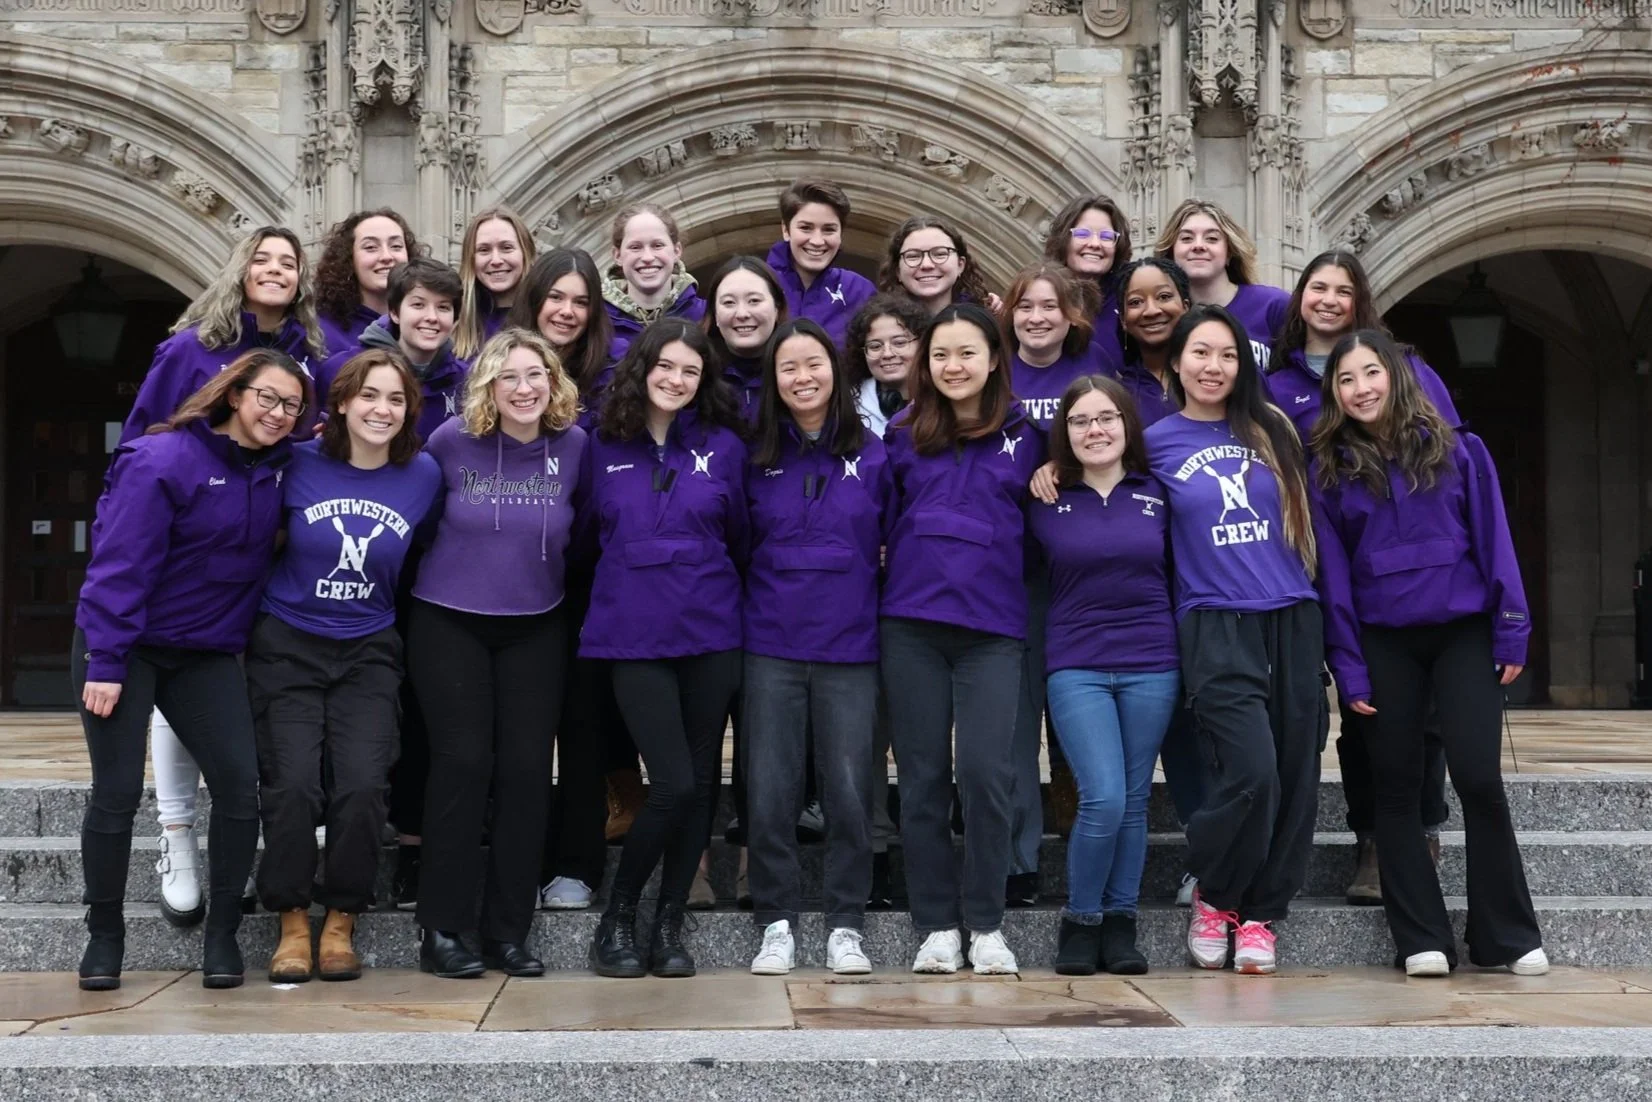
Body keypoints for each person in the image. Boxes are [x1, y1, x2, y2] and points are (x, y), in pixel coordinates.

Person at [1310, 330, 1547, 978]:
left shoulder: (1461, 449)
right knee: (1396, 787)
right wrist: (1348, 665)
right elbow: (1334, 579)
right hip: (1383, 641)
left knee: (1478, 777)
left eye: (1370, 373)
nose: (1360, 388)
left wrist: (1512, 628)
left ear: (1396, 375)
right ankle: (1421, 938)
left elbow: (1495, 541)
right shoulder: (1328, 470)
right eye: (1345, 379)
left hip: (1462, 632)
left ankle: (1505, 936)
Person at [75, 349, 312, 992]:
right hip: (127, 645)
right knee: (117, 791)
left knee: (238, 786)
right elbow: (119, 563)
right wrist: (107, 659)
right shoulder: (162, 459)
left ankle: (223, 935)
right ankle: (104, 936)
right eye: (267, 397)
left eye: (291, 405)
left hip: (205, 652)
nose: (278, 413)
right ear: (234, 394)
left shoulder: (282, 469)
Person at [119, 224, 324, 930]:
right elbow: (142, 443)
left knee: (236, 696)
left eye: (289, 261)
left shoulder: (308, 355)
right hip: (193, 545)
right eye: (262, 258)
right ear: (239, 269)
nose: (276, 269)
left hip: (266, 546)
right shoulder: (190, 349)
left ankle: (265, 836)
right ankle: (176, 835)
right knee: (178, 684)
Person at [1269, 250, 1462, 905]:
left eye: (1342, 290)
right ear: (1299, 298)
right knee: (1358, 711)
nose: (1328, 300)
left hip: (1397, 564)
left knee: (1418, 711)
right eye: (1317, 287)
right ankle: (1370, 835)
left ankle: (1415, 833)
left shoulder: (1406, 368)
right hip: (1305, 558)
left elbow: (1450, 458)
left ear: (1360, 302)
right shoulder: (1276, 384)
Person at [1144, 304, 1326, 976]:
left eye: (1227, 354)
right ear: (1176, 362)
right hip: (1213, 619)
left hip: (1292, 616)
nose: (1214, 366)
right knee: (1251, 772)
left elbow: (1310, 527)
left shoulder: (1273, 428)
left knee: (1296, 776)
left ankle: (1261, 917)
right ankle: (1217, 895)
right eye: (1200, 352)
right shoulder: (1153, 442)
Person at [249, 350, 441, 983]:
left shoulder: (423, 476)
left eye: (396, 399)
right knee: (294, 785)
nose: (382, 409)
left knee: (361, 785)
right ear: (340, 403)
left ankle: (341, 919)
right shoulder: (297, 463)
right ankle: (291, 920)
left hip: (369, 649)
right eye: (369, 396)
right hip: (288, 643)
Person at [407, 329, 586, 979]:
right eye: (508, 376)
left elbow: (587, 528)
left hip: (537, 624)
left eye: (535, 374)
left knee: (526, 773)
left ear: (553, 382)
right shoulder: (450, 441)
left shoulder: (575, 446)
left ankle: (508, 933)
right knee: (462, 763)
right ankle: (442, 929)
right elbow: (416, 521)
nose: (523, 387)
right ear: (487, 385)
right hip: (448, 620)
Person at [881, 302, 1044, 975]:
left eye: (967, 352)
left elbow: (1042, 528)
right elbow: (882, 522)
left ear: (994, 358)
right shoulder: (900, 432)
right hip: (911, 627)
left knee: (985, 775)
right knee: (921, 780)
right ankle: (936, 926)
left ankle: (986, 923)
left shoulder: (1029, 436)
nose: (953, 366)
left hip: (993, 630)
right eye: (941, 354)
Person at [582, 318, 747, 979]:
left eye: (690, 371)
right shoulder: (599, 443)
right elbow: (583, 537)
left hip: (711, 632)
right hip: (633, 635)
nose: (676, 380)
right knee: (673, 783)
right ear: (642, 368)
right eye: (666, 366)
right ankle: (619, 916)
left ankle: (669, 924)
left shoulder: (724, 446)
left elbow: (740, 536)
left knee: (700, 786)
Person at [743, 319, 892, 977]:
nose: (803, 378)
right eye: (789, 367)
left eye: (814, 365)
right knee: (769, 791)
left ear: (836, 371)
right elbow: (736, 540)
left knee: (850, 793)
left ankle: (845, 924)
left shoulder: (876, 455)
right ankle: (775, 922)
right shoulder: (752, 457)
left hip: (850, 646)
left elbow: (892, 541)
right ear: (773, 379)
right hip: (770, 643)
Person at [1027, 375, 1178, 975]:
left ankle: (1121, 924)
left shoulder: (1158, 491)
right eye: (1080, 420)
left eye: (1106, 417)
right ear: (1063, 433)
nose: (1095, 430)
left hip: (1153, 662)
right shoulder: (1044, 497)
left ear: (1126, 424)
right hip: (1076, 663)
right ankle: (1081, 919)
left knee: (1134, 802)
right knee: (1104, 796)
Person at [506, 247, 619, 910]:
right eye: (556, 297)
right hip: (510, 576)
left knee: (582, 724)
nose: (568, 311)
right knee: (517, 730)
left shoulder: (614, 376)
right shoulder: (501, 364)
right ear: (534, 300)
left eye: (581, 301)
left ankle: (577, 862)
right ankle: (516, 858)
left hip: (588, 578)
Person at [1001, 262, 1105, 908]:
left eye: (1050, 307)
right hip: (1011, 573)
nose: (1037, 317)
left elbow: (1116, 448)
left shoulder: (1092, 374)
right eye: (1025, 306)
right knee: (1015, 727)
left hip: (1080, 573)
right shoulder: (995, 374)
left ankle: (1085, 851)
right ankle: (1019, 860)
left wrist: (1064, 464)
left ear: (1073, 317)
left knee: (1079, 723)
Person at [317, 258, 467, 442]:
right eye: (418, 305)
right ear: (395, 313)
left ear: (455, 319)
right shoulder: (340, 370)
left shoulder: (466, 381)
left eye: (443, 307)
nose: (432, 317)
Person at [1154, 199, 1289, 368]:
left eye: (1211, 238)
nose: (1198, 246)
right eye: (1187, 238)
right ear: (1171, 252)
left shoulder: (1274, 305)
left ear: (1229, 252)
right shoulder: (1163, 315)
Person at [765, 178, 877, 347]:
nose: (817, 241)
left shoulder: (859, 291)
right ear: (786, 230)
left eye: (829, 229)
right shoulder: (758, 285)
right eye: (805, 228)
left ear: (841, 233)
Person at [602, 203, 705, 362]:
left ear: (677, 250)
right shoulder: (596, 322)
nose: (648, 257)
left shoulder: (706, 316)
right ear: (617, 255)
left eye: (657, 245)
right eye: (635, 247)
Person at [1042, 194, 1132, 370]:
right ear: (1064, 240)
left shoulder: (1129, 299)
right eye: (1082, 234)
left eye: (1106, 236)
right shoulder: (1039, 295)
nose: (1095, 244)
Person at [313, 209, 418, 356]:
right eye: (371, 247)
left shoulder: (426, 325)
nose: (386, 256)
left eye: (396, 246)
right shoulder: (319, 331)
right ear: (348, 259)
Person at [1109, 257, 1192, 430]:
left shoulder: (1211, 375)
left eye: (1164, 296)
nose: (1151, 311)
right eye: (1136, 302)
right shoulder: (1117, 395)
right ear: (1123, 319)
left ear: (1186, 307)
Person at [704, 255, 788, 420]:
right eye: (729, 303)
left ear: (777, 308)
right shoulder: (696, 374)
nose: (742, 314)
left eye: (754, 300)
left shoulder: (801, 373)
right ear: (714, 314)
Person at [452, 208, 537, 361]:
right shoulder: (452, 322)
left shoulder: (546, 318)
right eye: (484, 250)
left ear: (526, 253)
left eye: (506, 248)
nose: (496, 260)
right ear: (471, 259)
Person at [876, 214, 997, 316]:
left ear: (960, 265)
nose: (926, 265)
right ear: (897, 271)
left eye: (940, 254)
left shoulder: (985, 321)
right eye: (913, 256)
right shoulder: (878, 327)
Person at [845, 293, 928, 441]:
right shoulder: (847, 405)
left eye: (899, 343)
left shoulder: (944, 400)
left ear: (922, 345)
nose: (887, 354)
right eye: (875, 346)